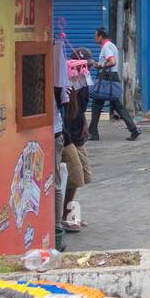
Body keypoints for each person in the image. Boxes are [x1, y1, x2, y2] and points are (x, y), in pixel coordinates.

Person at [89, 27, 140, 141]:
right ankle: (133, 130)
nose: (94, 37)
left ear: (101, 36)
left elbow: (112, 62)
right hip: (111, 78)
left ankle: (93, 133)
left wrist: (101, 66)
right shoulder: (111, 45)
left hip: (107, 79)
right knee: (112, 105)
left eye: (96, 35)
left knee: (97, 105)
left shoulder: (106, 47)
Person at [61, 52, 93, 232]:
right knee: (75, 175)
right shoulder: (66, 86)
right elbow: (67, 112)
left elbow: (81, 109)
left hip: (78, 133)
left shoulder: (84, 86)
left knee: (84, 175)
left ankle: (70, 213)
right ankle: (65, 216)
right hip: (66, 135)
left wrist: (85, 123)